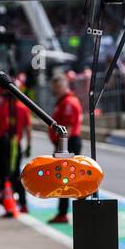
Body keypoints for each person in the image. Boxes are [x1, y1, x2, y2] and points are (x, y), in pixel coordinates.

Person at [47, 73, 84, 224]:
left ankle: (65, 212)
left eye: (56, 88)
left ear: (63, 86)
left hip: (68, 144)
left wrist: (61, 148)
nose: (54, 91)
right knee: (65, 179)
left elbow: (67, 128)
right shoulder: (63, 102)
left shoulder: (68, 103)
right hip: (66, 143)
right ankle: (67, 211)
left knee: (65, 180)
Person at [0, 82, 31, 210]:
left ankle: (7, 201)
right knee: (16, 174)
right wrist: (29, 145)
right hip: (15, 144)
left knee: (4, 174)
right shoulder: (23, 108)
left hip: (2, 145)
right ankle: (22, 203)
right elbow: (27, 129)